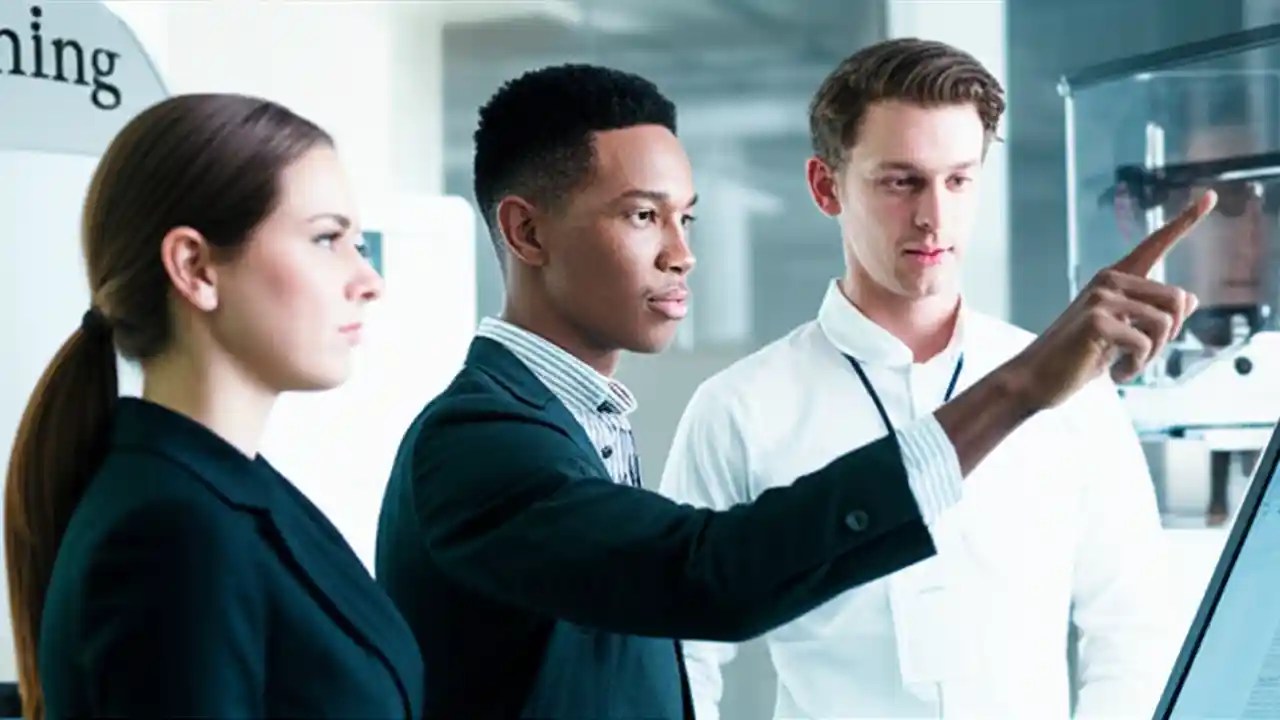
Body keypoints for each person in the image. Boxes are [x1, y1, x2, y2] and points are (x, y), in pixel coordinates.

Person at [374, 63, 1212, 720]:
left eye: (686, 218)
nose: (682, 253)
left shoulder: (576, 421)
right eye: (642, 216)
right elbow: (706, 584)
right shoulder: (483, 443)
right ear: (526, 231)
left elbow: (1132, 626)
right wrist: (1020, 391)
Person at [657, 38, 1180, 720]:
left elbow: (1133, 629)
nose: (934, 216)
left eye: (958, 180)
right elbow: (679, 654)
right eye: (901, 182)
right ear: (826, 186)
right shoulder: (738, 409)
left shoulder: (1073, 388)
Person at [4, 93, 424, 719]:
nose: (369, 281)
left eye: (357, 244)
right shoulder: (173, 533)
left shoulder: (227, 497)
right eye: (326, 239)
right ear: (195, 268)